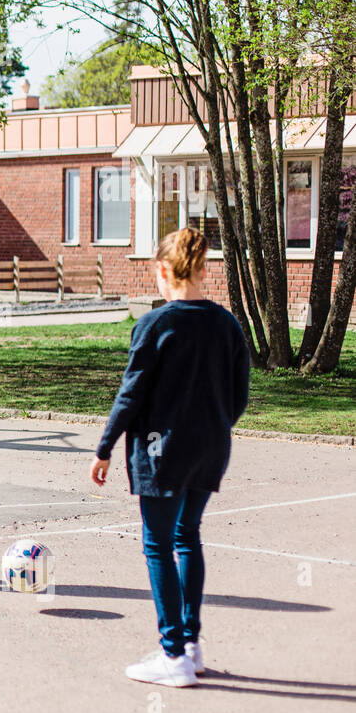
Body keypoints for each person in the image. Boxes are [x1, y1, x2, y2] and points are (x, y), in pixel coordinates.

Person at [91, 227, 250, 687]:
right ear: (203, 271)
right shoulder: (228, 325)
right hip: (210, 450)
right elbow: (238, 398)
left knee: (158, 544)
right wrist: (214, 428)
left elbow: (130, 395)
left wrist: (103, 448)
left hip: (163, 452)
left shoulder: (155, 325)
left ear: (162, 271)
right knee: (188, 536)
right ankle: (191, 645)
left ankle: (173, 654)